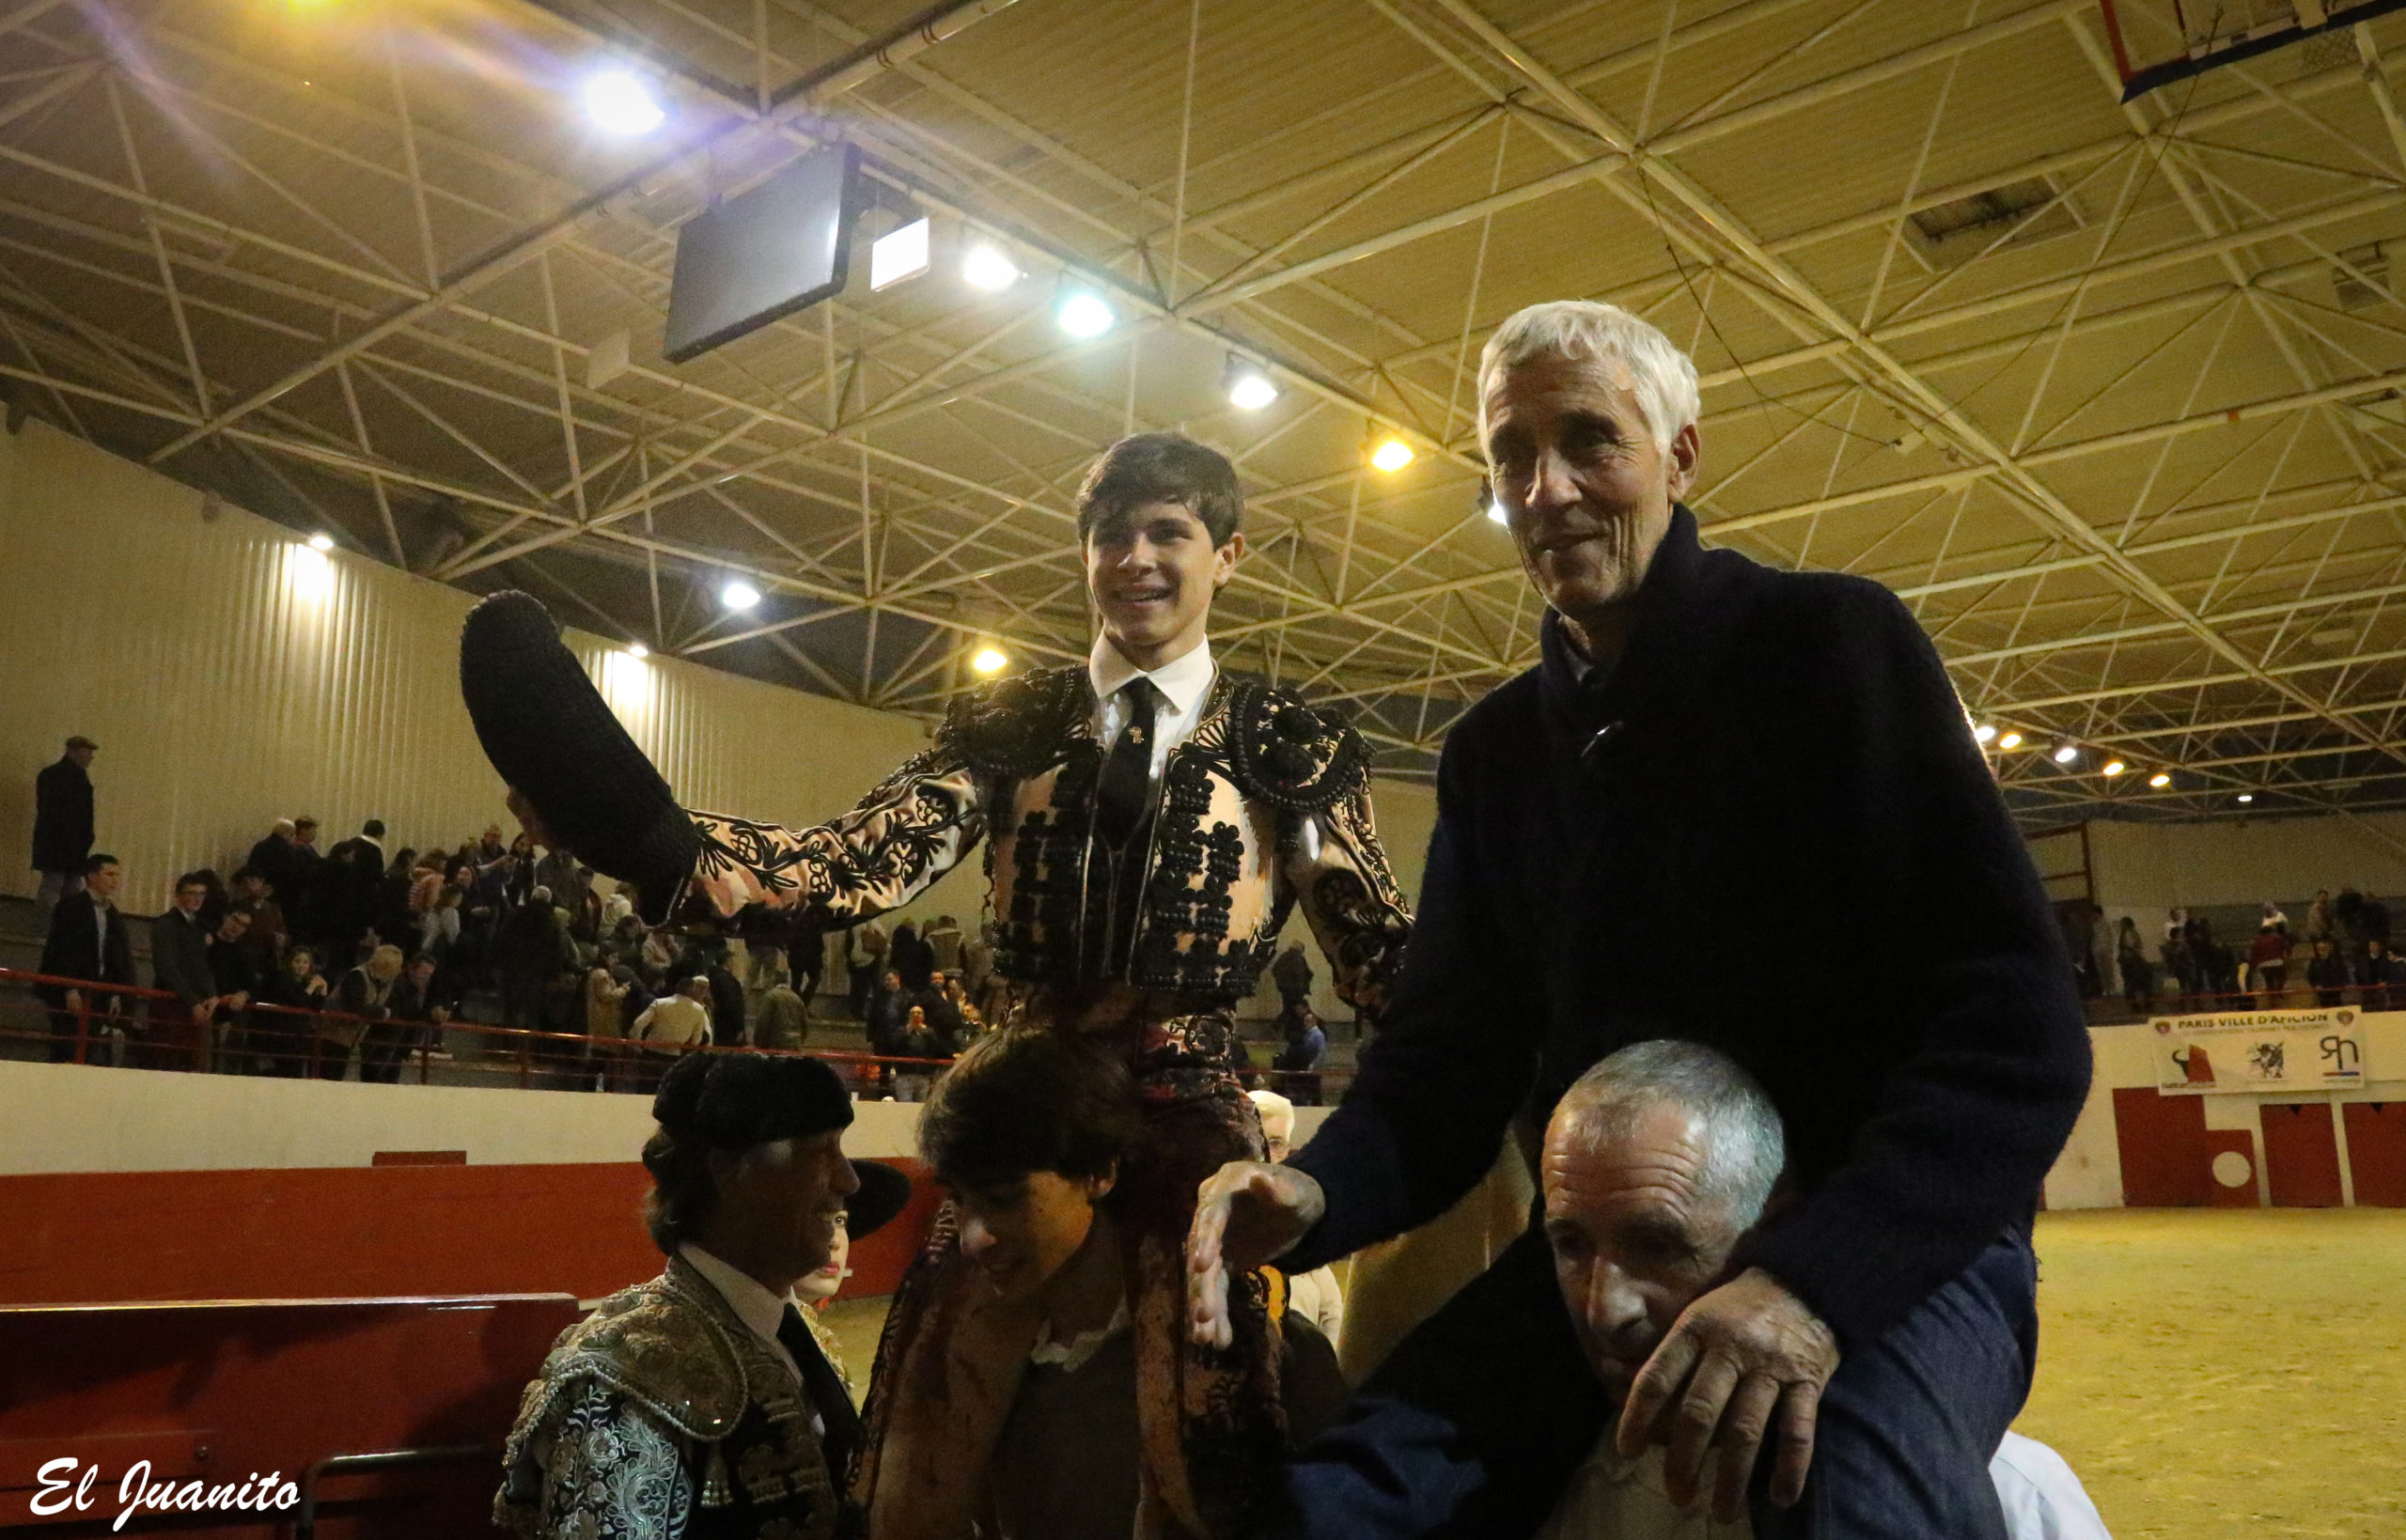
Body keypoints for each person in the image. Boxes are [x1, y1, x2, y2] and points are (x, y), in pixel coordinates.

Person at [1187, 301, 2091, 1540]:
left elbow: (2020, 1029)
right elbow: (1447, 1066)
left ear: (1679, 456)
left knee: (1848, 1507)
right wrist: (1316, 1192)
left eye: (1590, 441)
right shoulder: (1497, 754)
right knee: (1339, 1502)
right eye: (1511, 455)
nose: (1545, 488)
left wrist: (1814, 1285)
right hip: (1605, 1261)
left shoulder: (1834, 646)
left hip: (1884, 1254)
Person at [458, 429, 1413, 1538]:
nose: (1136, 559)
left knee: (1216, 1397)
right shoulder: (1010, 726)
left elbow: (1382, 957)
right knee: (925, 1414)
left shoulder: (1286, 742)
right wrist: (662, 847)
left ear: (1228, 554)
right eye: (1113, 535)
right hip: (1018, 1108)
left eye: (1169, 534)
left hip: (1184, 1111)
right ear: (1085, 552)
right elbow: (859, 859)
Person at [879, 1029, 1347, 1540]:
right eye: (959, 1201)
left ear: (1101, 1172)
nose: (973, 1239)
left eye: (1003, 1198)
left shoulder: (1266, 1360)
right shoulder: (973, 1368)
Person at [496, 1052, 898, 1540]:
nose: (849, 1180)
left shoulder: (799, 1334)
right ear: (730, 1170)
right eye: (819, 1152)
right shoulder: (625, 1375)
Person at [1247, 1089, 1344, 1351]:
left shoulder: (1313, 1265)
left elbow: (1335, 1356)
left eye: (1276, 1142)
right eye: (1258, 1138)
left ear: (1288, 1151)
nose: (1266, 1152)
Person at [37, 852, 134, 1064]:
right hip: (71, 991)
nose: (115, 880)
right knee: (67, 1050)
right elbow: (61, 949)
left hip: (98, 992)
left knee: (88, 1051)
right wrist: (70, 987)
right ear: (91, 876)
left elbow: (114, 958)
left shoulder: (113, 915)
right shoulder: (71, 907)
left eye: (117, 875)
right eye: (109, 874)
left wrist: (115, 993)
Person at [147, 871, 219, 1072]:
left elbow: (203, 966)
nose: (198, 898)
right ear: (178, 896)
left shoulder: (198, 927)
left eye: (202, 894)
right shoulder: (165, 925)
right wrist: (192, 1001)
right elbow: (166, 968)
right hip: (173, 1004)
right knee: (168, 1063)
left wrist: (212, 994)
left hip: (195, 1003)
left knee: (197, 1065)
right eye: (192, 893)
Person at [30, 735, 98, 921]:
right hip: (64, 844)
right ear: (73, 751)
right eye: (87, 752)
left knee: (61, 887)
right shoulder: (73, 779)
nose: (91, 756)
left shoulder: (51, 775)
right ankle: (51, 929)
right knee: (62, 887)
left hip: (61, 844)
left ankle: (53, 928)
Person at [326, 944, 407, 1081]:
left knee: (337, 1077)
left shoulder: (385, 982)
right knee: (328, 1076)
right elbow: (355, 1006)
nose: (399, 970)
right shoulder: (357, 976)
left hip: (349, 1038)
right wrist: (382, 1012)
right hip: (331, 1034)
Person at [252, 945, 330, 1077]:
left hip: (297, 1039)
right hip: (280, 1037)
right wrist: (312, 986)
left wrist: (323, 989)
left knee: (295, 1075)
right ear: (290, 962)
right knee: (279, 1074)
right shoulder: (280, 978)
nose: (302, 965)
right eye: (297, 961)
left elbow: (315, 1007)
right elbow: (298, 1000)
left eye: (305, 962)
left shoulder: (304, 983)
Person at [631, 976, 715, 1090]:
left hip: (650, 1052)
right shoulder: (699, 1010)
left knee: (644, 1089)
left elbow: (638, 1024)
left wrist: (636, 1045)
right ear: (692, 989)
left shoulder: (659, 1003)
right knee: (667, 1091)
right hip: (674, 1056)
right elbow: (697, 1039)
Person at [205, 910, 260, 1075]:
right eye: (236, 920)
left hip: (226, 1016)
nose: (237, 926)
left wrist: (244, 994)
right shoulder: (205, 940)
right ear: (226, 917)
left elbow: (253, 985)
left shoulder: (243, 953)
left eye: (244, 925)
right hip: (203, 1009)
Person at [1273, 1003, 1327, 1106]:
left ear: (1313, 1022)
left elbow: (1321, 1052)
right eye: (1305, 1021)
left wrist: (1314, 1065)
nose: (1305, 1023)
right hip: (1307, 1066)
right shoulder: (1308, 1035)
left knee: (1315, 1092)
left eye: (1308, 1021)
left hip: (1313, 1068)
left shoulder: (1318, 1035)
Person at [2246, 923, 2290, 1008]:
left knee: (2269, 981)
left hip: (2263, 965)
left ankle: (2272, 1000)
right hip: (2278, 962)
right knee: (2282, 977)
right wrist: (2286, 955)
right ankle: (2279, 990)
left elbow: (2254, 954)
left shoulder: (2257, 941)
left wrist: (2252, 966)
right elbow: (2287, 946)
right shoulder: (2278, 938)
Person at [757, 978, 809, 1051]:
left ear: (774, 982)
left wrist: (759, 1042)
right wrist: (799, 1041)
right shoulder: (797, 998)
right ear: (788, 983)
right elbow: (805, 1024)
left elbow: (762, 1022)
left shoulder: (770, 997)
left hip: (776, 1045)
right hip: (795, 1045)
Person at [2114, 916, 2152, 1014]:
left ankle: (2136, 1003)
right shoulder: (2127, 933)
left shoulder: (2129, 933)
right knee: (2132, 982)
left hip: (2132, 960)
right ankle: (2138, 1003)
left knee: (2132, 982)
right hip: (2129, 960)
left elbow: (2134, 946)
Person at [1270, 941, 1314, 1015]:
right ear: (1300, 949)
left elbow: (1274, 970)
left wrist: (1281, 980)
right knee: (1296, 1009)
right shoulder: (1298, 958)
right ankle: (1280, 1024)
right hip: (1296, 988)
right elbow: (1299, 973)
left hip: (1284, 988)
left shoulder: (1283, 956)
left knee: (1287, 1007)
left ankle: (1281, 1024)